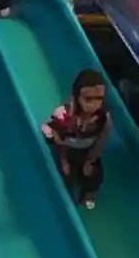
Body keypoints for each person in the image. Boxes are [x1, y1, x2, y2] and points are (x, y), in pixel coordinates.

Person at [41, 69, 111, 210]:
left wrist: (90, 160)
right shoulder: (63, 116)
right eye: (88, 99)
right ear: (76, 97)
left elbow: (101, 140)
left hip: (87, 151)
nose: (94, 105)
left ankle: (88, 195)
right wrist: (64, 160)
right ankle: (69, 197)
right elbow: (53, 135)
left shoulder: (103, 118)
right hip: (68, 150)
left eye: (99, 99)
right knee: (66, 176)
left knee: (94, 176)